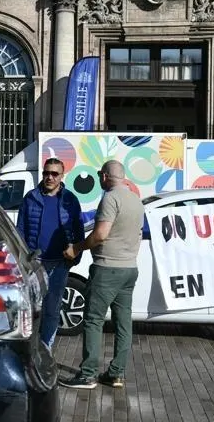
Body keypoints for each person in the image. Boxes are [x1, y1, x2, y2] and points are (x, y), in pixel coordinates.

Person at [60, 160, 144, 390]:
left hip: (107, 268)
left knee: (93, 320)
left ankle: (88, 375)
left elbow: (100, 234)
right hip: (129, 269)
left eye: (99, 176)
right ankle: (116, 373)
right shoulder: (136, 200)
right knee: (123, 322)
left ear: (105, 176)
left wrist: (76, 248)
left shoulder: (110, 198)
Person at [16, 157, 85, 349]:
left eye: (54, 174)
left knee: (53, 309)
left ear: (62, 176)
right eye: (46, 173)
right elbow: (20, 230)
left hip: (60, 263)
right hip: (35, 262)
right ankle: (28, 349)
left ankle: (46, 348)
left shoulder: (70, 200)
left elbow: (78, 229)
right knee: (31, 309)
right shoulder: (30, 198)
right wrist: (22, 258)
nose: (49, 177)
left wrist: (75, 256)